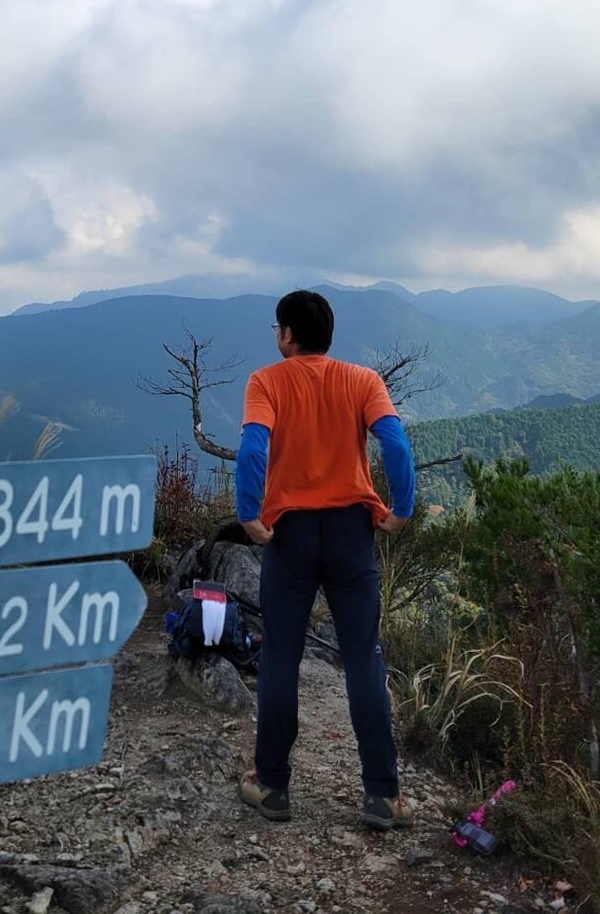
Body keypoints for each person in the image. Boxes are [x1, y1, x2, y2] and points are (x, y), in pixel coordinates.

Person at [234, 289, 417, 830]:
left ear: (288, 334)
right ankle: (383, 795)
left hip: (289, 534)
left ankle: (272, 786)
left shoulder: (266, 382)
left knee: (280, 658)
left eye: (278, 328)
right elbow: (396, 446)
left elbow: (253, 448)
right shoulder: (363, 381)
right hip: (351, 534)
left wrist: (248, 513)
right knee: (363, 658)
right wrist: (401, 508)